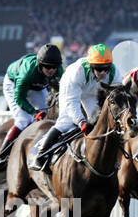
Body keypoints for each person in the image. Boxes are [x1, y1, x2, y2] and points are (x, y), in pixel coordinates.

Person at [34, 43, 117, 172]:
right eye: (99, 69)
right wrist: (81, 121)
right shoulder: (77, 72)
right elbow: (72, 102)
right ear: (91, 66)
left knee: (98, 121)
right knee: (66, 122)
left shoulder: (114, 72)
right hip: (71, 88)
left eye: (106, 69)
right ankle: (40, 155)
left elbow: (120, 95)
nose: (103, 73)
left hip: (92, 90)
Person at [0, 44, 62, 172]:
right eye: (47, 67)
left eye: (54, 67)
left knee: (48, 115)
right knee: (23, 120)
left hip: (37, 87)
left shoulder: (58, 70)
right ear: (40, 64)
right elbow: (20, 99)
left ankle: (42, 151)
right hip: (14, 84)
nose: (52, 70)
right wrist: (34, 112)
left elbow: (62, 90)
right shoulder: (27, 72)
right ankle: (1, 156)